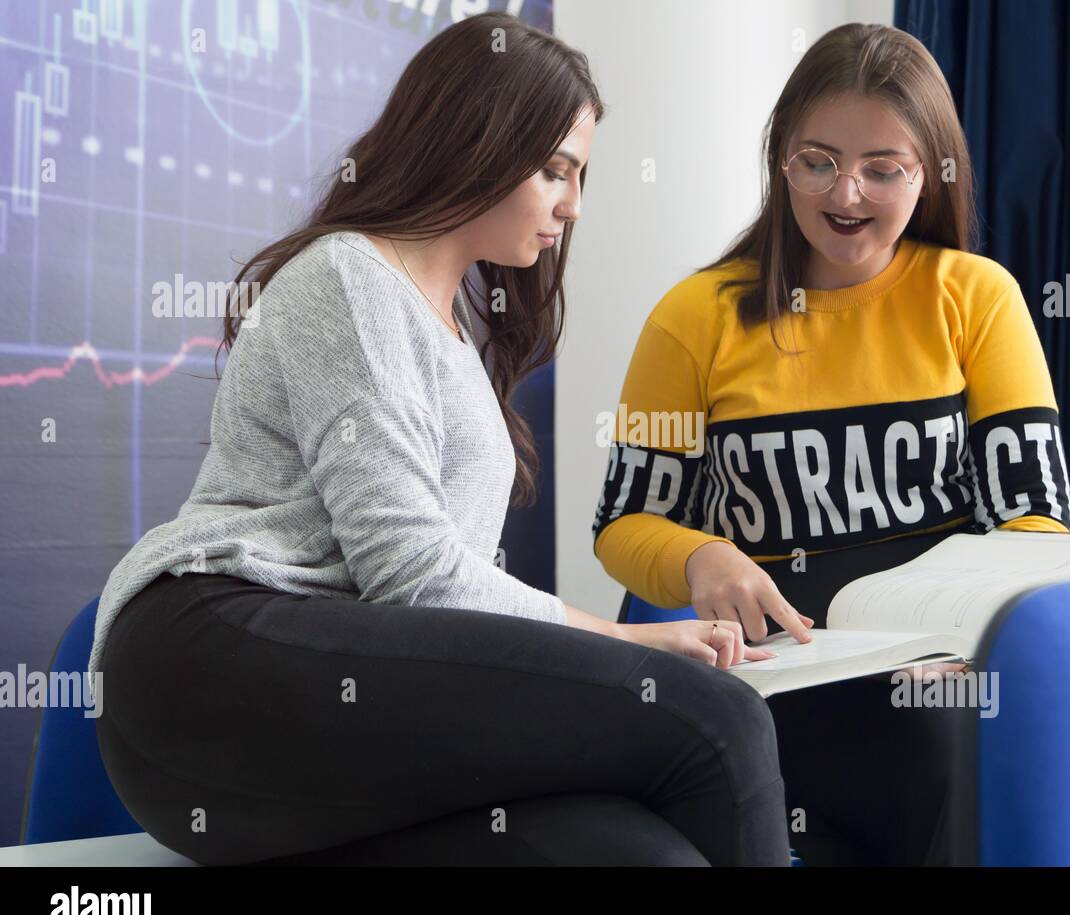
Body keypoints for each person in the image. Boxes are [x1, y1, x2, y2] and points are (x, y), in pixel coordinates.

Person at [90, 12, 792, 867]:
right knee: (717, 718)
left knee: (631, 852)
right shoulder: (350, 277)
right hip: (210, 666)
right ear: (477, 140)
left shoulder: (460, 332)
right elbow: (413, 576)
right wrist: (630, 640)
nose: (573, 206)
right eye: (555, 171)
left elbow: (438, 601)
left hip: (335, 716)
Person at [591, 22, 1070, 865]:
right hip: (773, 675)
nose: (845, 193)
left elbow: (1035, 515)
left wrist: (977, 635)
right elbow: (626, 523)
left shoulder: (975, 297)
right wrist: (701, 556)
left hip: (937, 674)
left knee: (951, 741)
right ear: (781, 160)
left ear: (928, 174)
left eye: (882, 170)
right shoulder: (692, 318)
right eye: (817, 161)